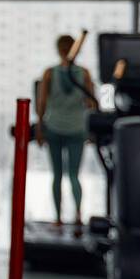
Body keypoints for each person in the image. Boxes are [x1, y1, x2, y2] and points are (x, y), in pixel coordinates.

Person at [36, 34, 96, 234]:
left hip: (58, 128)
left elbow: (41, 104)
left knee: (60, 175)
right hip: (73, 129)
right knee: (72, 175)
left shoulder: (50, 74)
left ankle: (61, 219)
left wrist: (39, 128)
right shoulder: (83, 74)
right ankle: (74, 216)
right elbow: (91, 103)